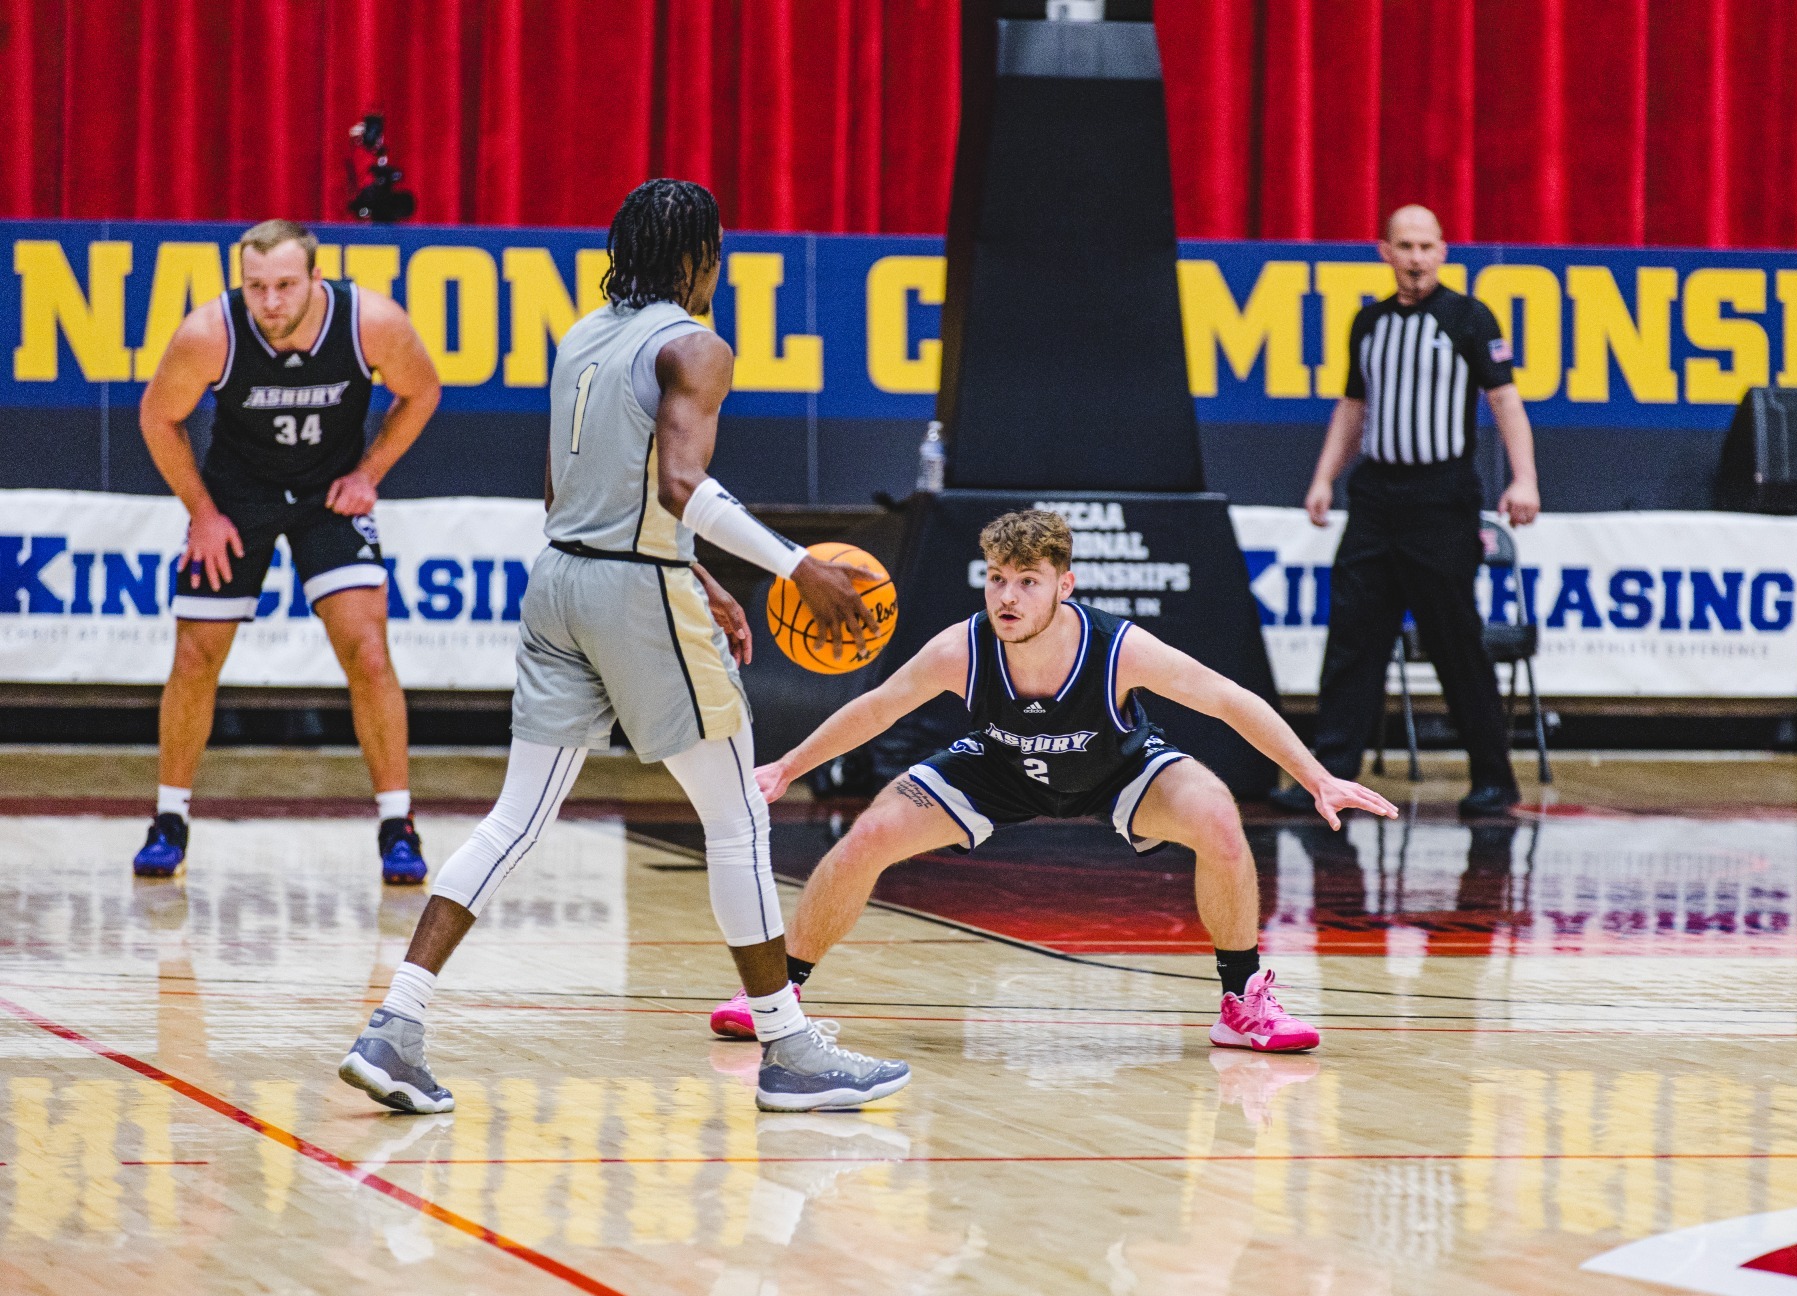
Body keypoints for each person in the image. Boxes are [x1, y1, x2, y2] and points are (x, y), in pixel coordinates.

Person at [338, 179, 910, 1115]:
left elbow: (575, 486)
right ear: (696, 257)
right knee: (739, 821)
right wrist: (790, 564)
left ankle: (394, 1026)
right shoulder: (695, 345)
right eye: (716, 252)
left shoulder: (583, 336)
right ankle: (789, 1047)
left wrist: (702, 578)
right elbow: (683, 483)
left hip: (559, 578)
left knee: (514, 820)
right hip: (633, 592)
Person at [709, 508, 1400, 1051]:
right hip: (998, 767)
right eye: (997, 578)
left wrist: (1315, 775)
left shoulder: (1118, 648)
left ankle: (1242, 999)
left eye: (1027, 581)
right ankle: (778, 995)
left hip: (1114, 768)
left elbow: (1228, 699)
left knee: (1217, 813)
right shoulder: (963, 647)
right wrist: (787, 765)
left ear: (1063, 585)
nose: (1007, 597)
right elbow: (876, 707)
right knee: (869, 835)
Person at [134, 220, 442, 881]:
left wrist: (369, 474)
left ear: (314, 278)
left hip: (326, 493)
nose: (269, 301)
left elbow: (422, 392)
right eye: (255, 287)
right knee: (195, 653)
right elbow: (157, 418)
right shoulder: (209, 333)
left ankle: (398, 824)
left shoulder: (371, 322)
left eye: (283, 286)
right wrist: (204, 514)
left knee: (368, 646)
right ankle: (169, 818)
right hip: (237, 495)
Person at [1285, 204, 1540, 822]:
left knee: (1457, 642)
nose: (1417, 257)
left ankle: (1493, 778)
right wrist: (1325, 477)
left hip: (1441, 499)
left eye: (1427, 245)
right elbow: (1352, 408)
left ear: (1444, 251)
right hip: (1375, 501)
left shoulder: (1468, 318)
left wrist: (1525, 478)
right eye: (1405, 245)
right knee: (1352, 641)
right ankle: (1330, 777)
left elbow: (1505, 402)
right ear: (1385, 251)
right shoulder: (1367, 323)